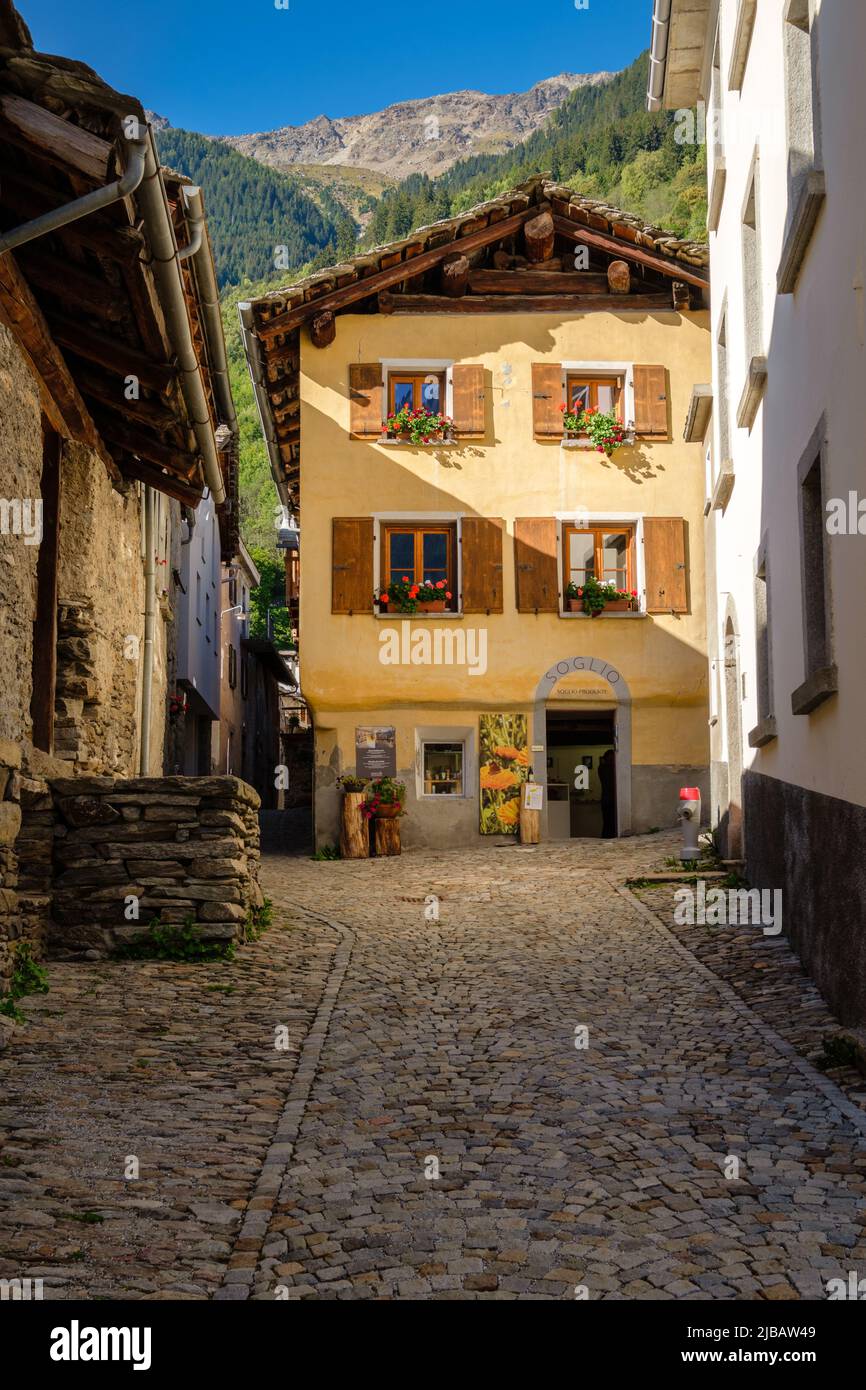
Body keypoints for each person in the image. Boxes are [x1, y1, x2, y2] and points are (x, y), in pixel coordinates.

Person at [598, 748, 616, 838]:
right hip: (609, 799)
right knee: (609, 821)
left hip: (607, 799)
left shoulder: (602, 768)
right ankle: (608, 837)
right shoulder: (605, 768)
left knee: (608, 821)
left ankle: (607, 836)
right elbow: (609, 783)